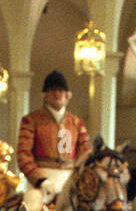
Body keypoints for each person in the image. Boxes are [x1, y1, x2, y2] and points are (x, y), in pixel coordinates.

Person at [17, 69, 92, 201]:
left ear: (68, 95)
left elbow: (86, 154)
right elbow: (23, 155)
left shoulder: (77, 123)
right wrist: (40, 180)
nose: (57, 94)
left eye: (61, 90)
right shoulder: (31, 120)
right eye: (52, 90)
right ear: (45, 95)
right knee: (31, 209)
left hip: (71, 181)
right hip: (42, 180)